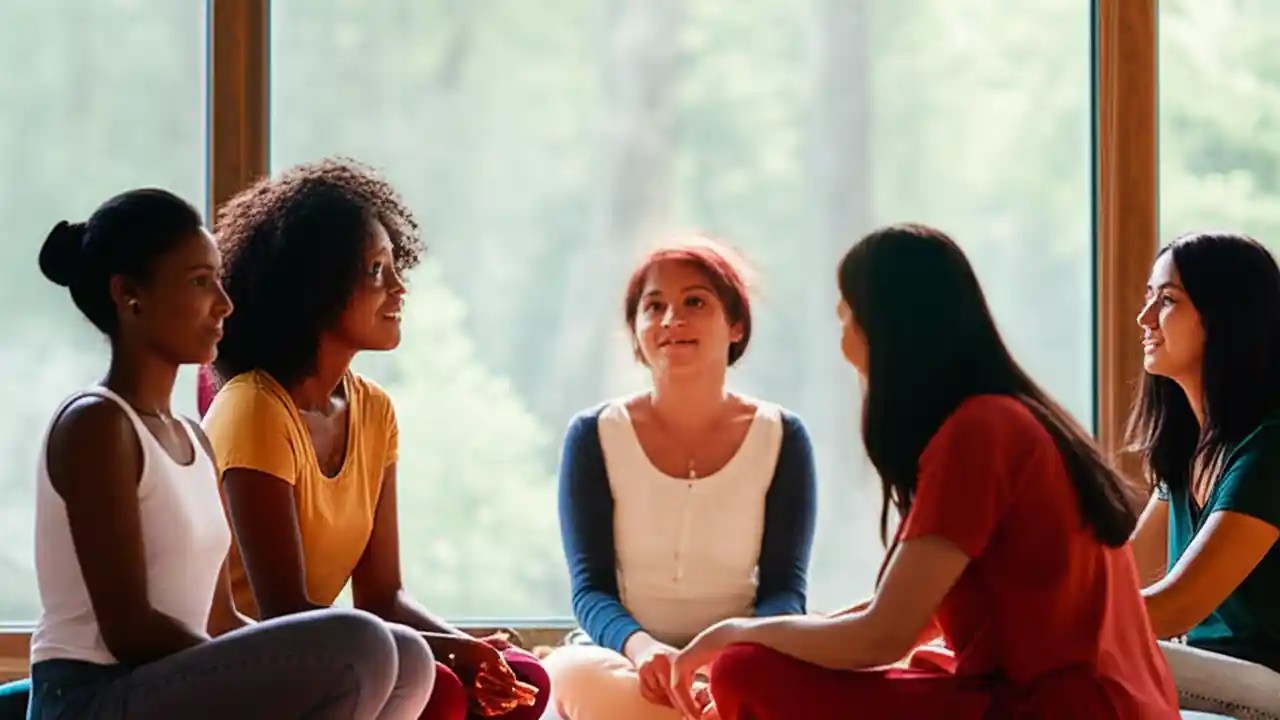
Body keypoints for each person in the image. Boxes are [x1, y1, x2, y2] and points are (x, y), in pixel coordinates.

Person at [666, 223, 1179, 719]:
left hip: (1056, 710)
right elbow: (912, 617)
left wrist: (735, 633)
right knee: (770, 663)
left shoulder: (982, 431)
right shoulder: (1007, 417)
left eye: (847, 314)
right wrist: (788, 635)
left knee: (742, 670)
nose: (842, 335)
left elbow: (882, 635)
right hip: (1094, 703)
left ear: (887, 326)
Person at [28, 188, 433, 720]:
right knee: (360, 644)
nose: (224, 303)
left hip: (163, 682)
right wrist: (278, 675)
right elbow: (129, 629)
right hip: (92, 695)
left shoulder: (194, 441)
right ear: (130, 295)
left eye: (220, 279)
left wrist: (282, 663)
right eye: (200, 282)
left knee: (407, 656)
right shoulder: (96, 425)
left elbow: (222, 619)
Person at [202, 158, 549, 720]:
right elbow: (284, 614)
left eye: (395, 267)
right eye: (376, 270)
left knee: (521, 679)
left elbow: (382, 595)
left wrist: (473, 649)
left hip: (340, 650)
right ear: (318, 286)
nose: (399, 287)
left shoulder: (374, 411)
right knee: (442, 687)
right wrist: (452, 653)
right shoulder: (254, 409)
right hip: (249, 664)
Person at [544, 238, 817, 720]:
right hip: (625, 661)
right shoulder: (594, 435)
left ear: (736, 326)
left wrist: (726, 659)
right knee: (569, 675)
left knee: (796, 686)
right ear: (636, 333)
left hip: (739, 660)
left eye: (695, 301)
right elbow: (590, 590)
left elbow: (786, 590)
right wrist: (644, 648)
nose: (672, 320)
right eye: (654, 307)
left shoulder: (783, 436)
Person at [1128, 231, 1280, 716]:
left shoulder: (1268, 448)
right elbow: (1121, 571)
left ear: (1225, 319)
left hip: (1267, 684)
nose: (1144, 319)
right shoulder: (1185, 449)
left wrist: (1035, 623)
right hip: (1212, 681)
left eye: (1167, 300)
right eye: (1149, 298)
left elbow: (1177, 607)